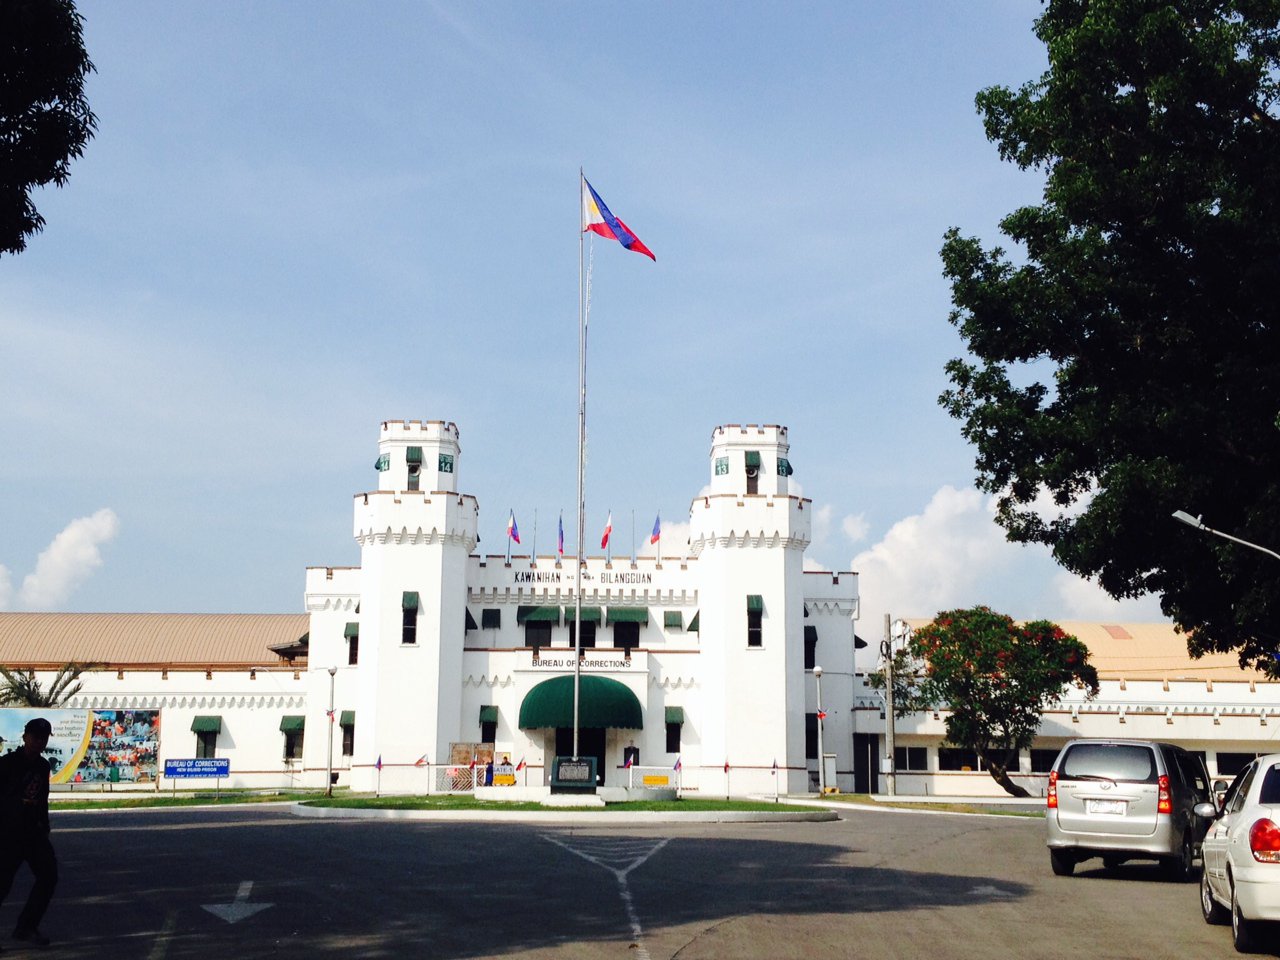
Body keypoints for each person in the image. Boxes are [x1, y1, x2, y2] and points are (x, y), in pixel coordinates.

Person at [0, 717, 58, 947]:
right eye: (35, 737)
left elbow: (42, 798)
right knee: (2, 885)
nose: (39, 742)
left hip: (33, 833)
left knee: (49, 876)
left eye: (43, 738)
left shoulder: (43, 766)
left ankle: (26, 927)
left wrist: (44, 825)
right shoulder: (7, 765)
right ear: (25, 737)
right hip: (7, 834)